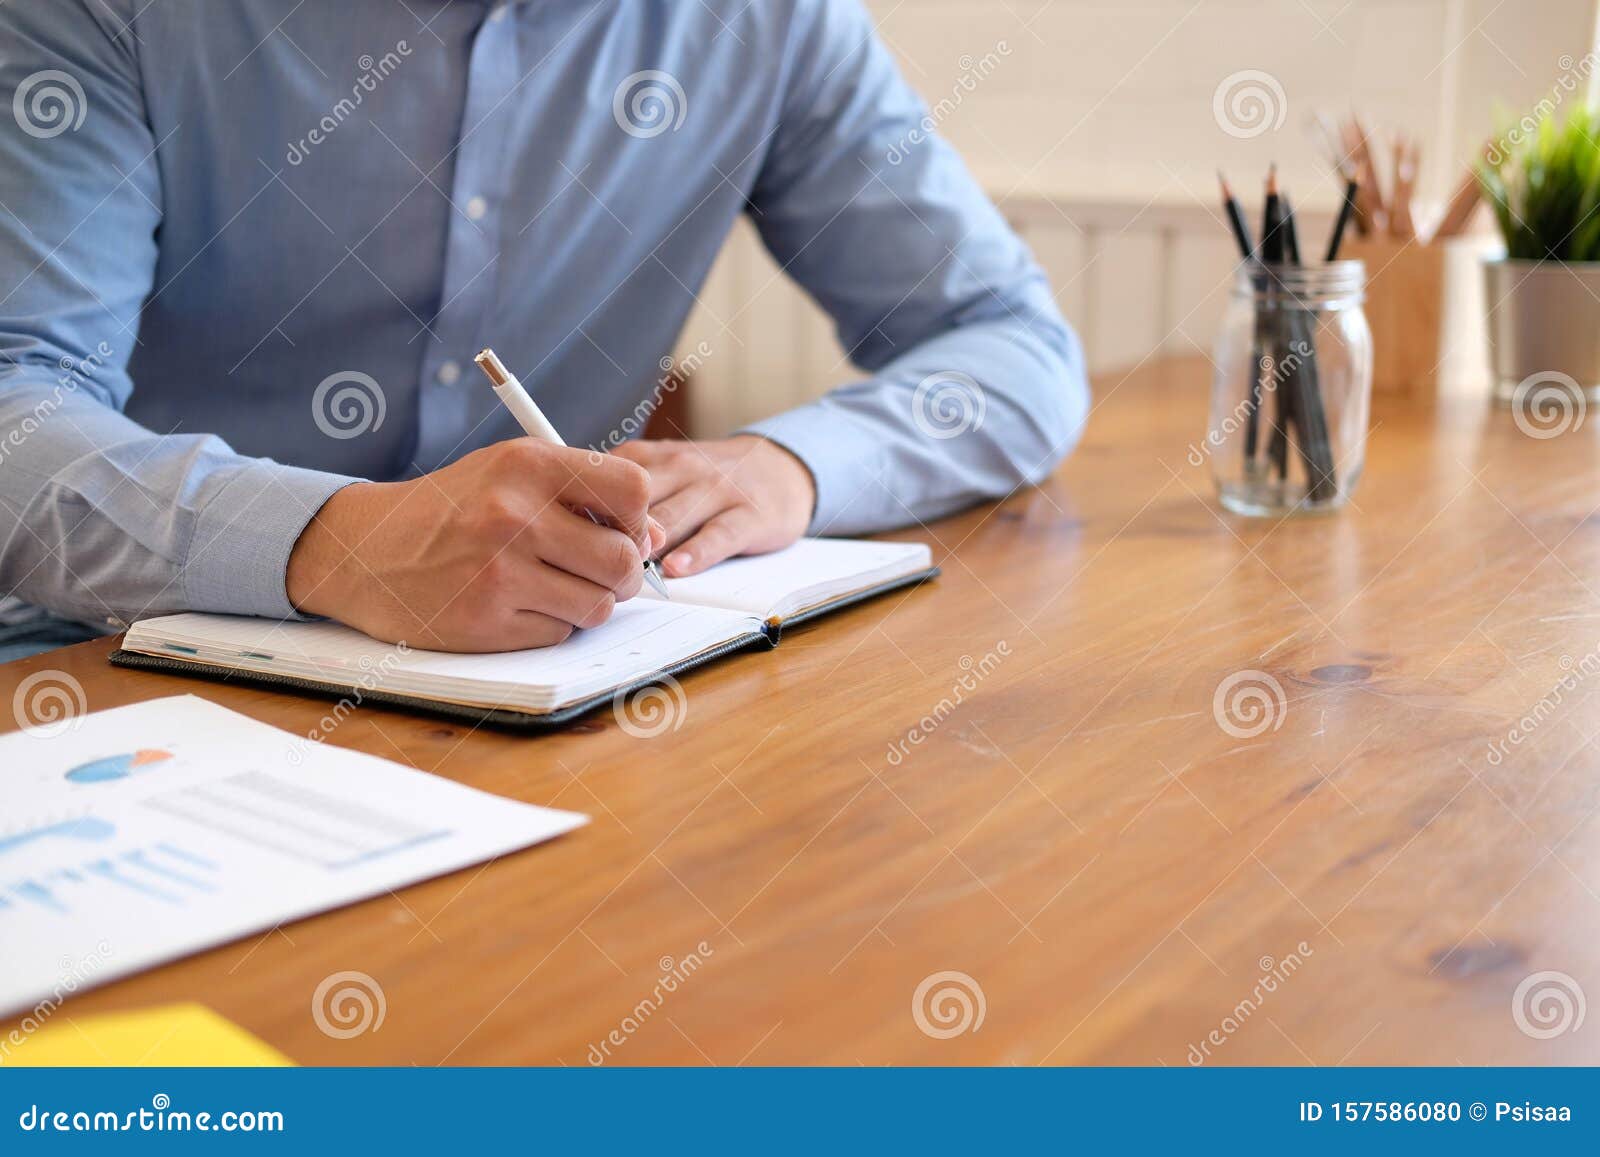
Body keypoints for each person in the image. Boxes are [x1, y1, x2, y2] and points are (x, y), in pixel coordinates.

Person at [0, 0, 1087, 661]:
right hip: (105, 661)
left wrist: (788, 469)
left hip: (533, 685)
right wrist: (333, 543)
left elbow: (1008, 342)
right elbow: (16, 402)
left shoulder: (771, 21)